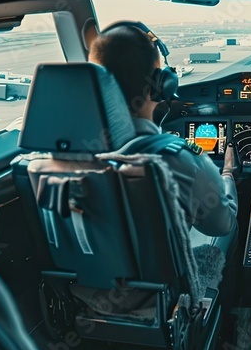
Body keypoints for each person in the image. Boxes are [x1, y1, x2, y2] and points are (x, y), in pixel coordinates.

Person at [88, 21, 238, 253]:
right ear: (161, 85)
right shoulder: (180, 160)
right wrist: (227, 173)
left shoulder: (48, 156)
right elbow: (223, 224)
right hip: (163, 289)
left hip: (75, 287)